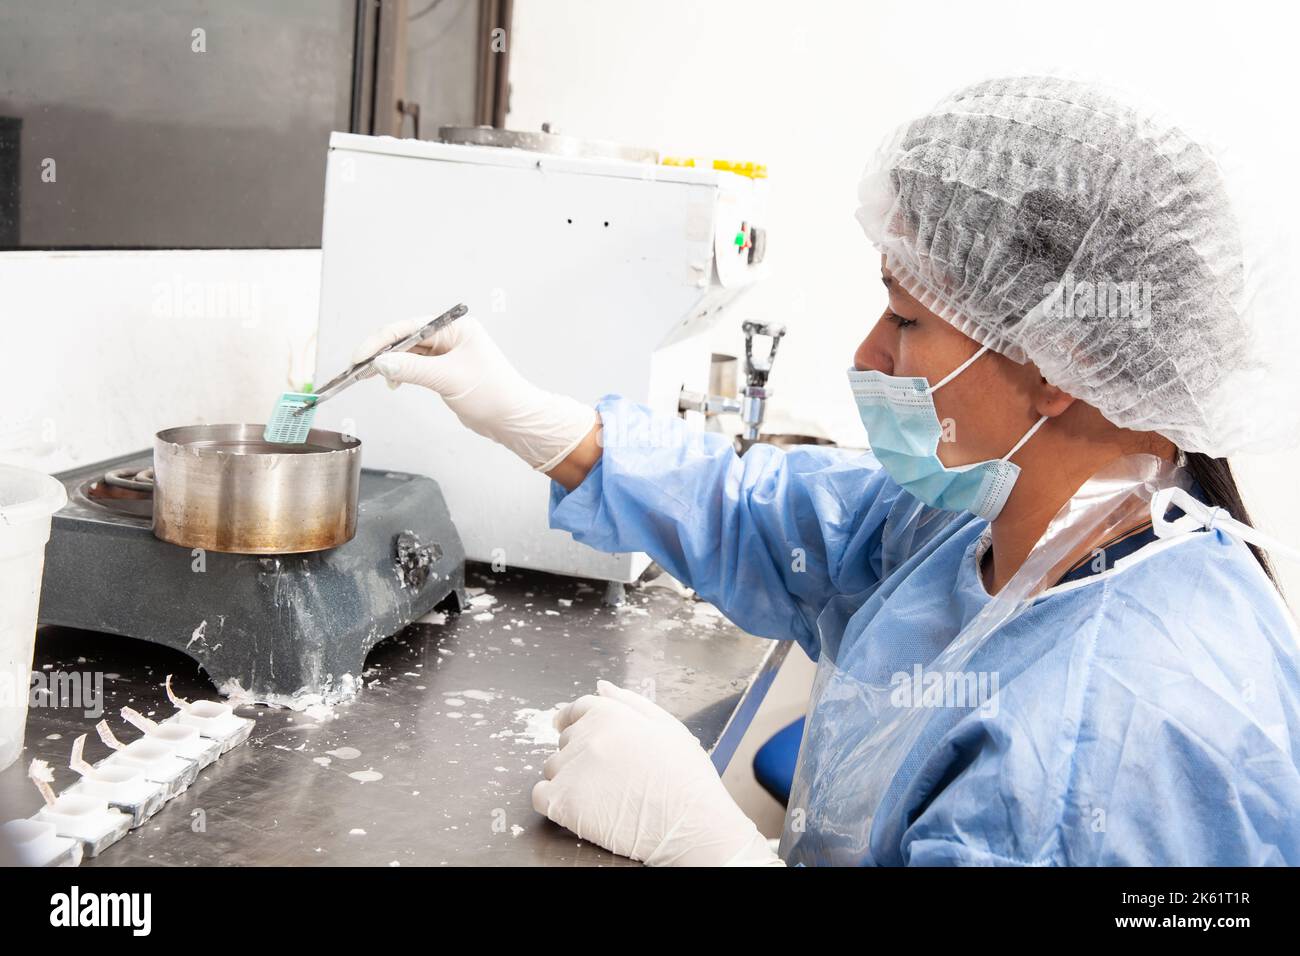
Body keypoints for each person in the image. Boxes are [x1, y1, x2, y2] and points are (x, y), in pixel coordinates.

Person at [353, 75, 1300, 865]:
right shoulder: (1008, 521)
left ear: (1056, 365)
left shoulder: (1113, 739)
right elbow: (782, 525)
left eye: (907, 318)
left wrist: (710, 848)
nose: (867, 354)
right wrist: (530, 418)